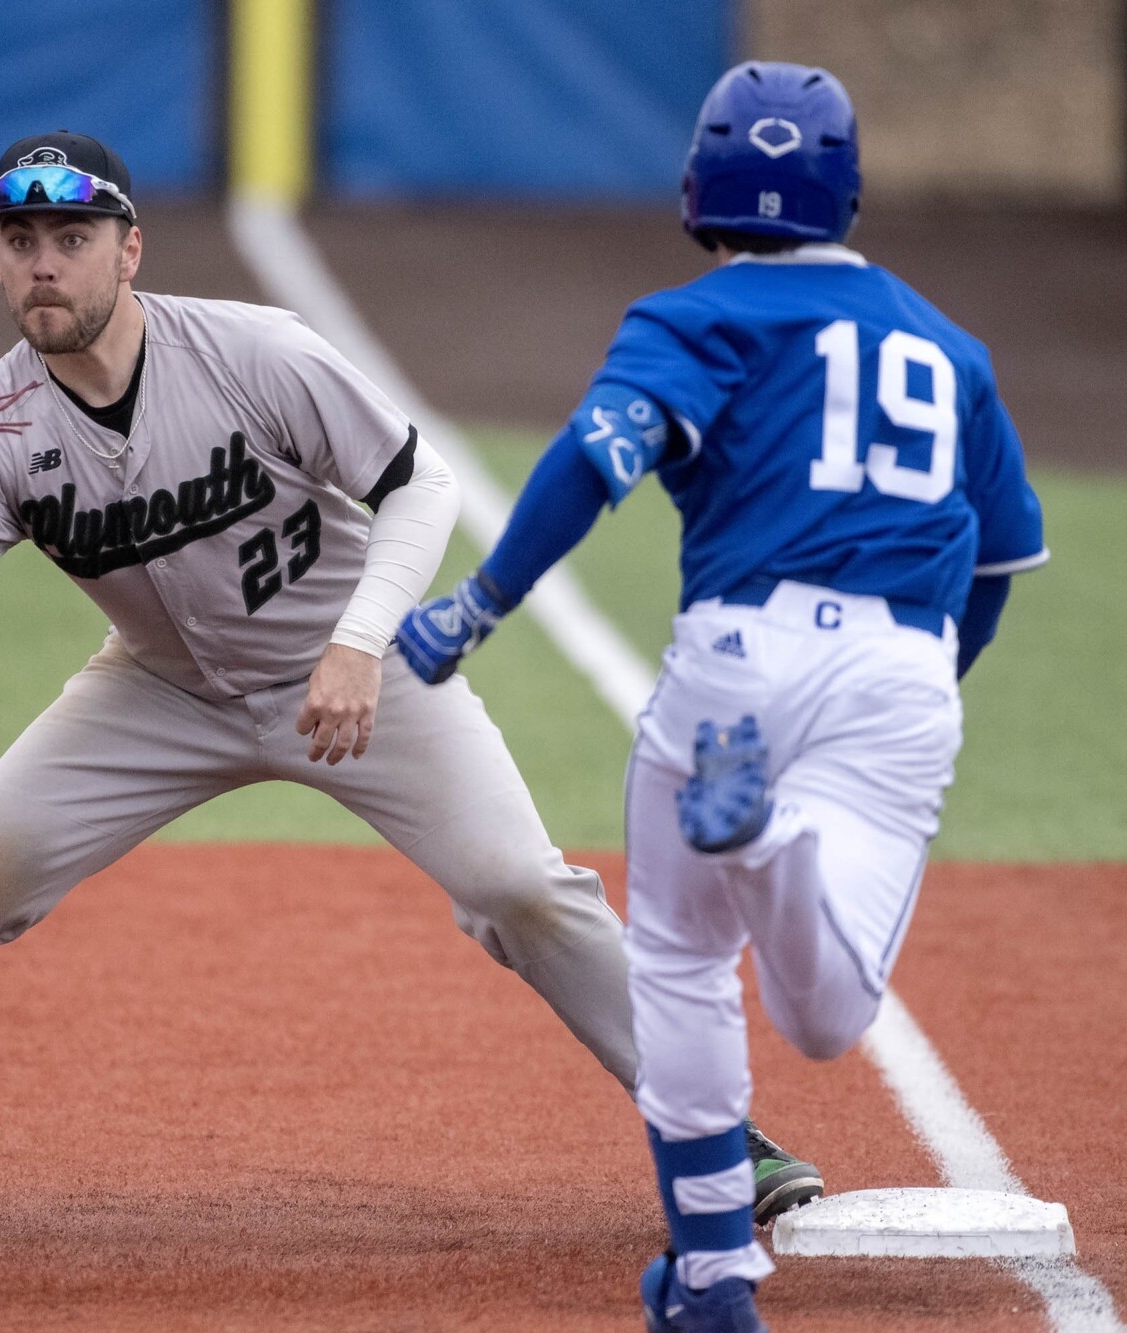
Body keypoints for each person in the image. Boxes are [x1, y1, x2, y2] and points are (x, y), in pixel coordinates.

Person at [0, 131, 821, 1238]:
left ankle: (712, 1126)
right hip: (157, 692)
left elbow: (421, 482)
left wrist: (359, 639)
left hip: (356, 664)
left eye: (71, 236)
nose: (42, 262)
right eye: (19, 240)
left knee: (521, 887)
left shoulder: (252, 351)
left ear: (129, 250)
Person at [397, 65, 1048, 1333]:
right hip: (900, 667)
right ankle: (774, 842)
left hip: (732, 666)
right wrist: (919, 690)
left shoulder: (689, 320)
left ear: (701, 184)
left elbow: (594, 459)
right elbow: (996, 567)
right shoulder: (949, 347)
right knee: (827, 1016)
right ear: (844, 189)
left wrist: (475, 605)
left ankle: (712, 1276)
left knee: (679, 965)